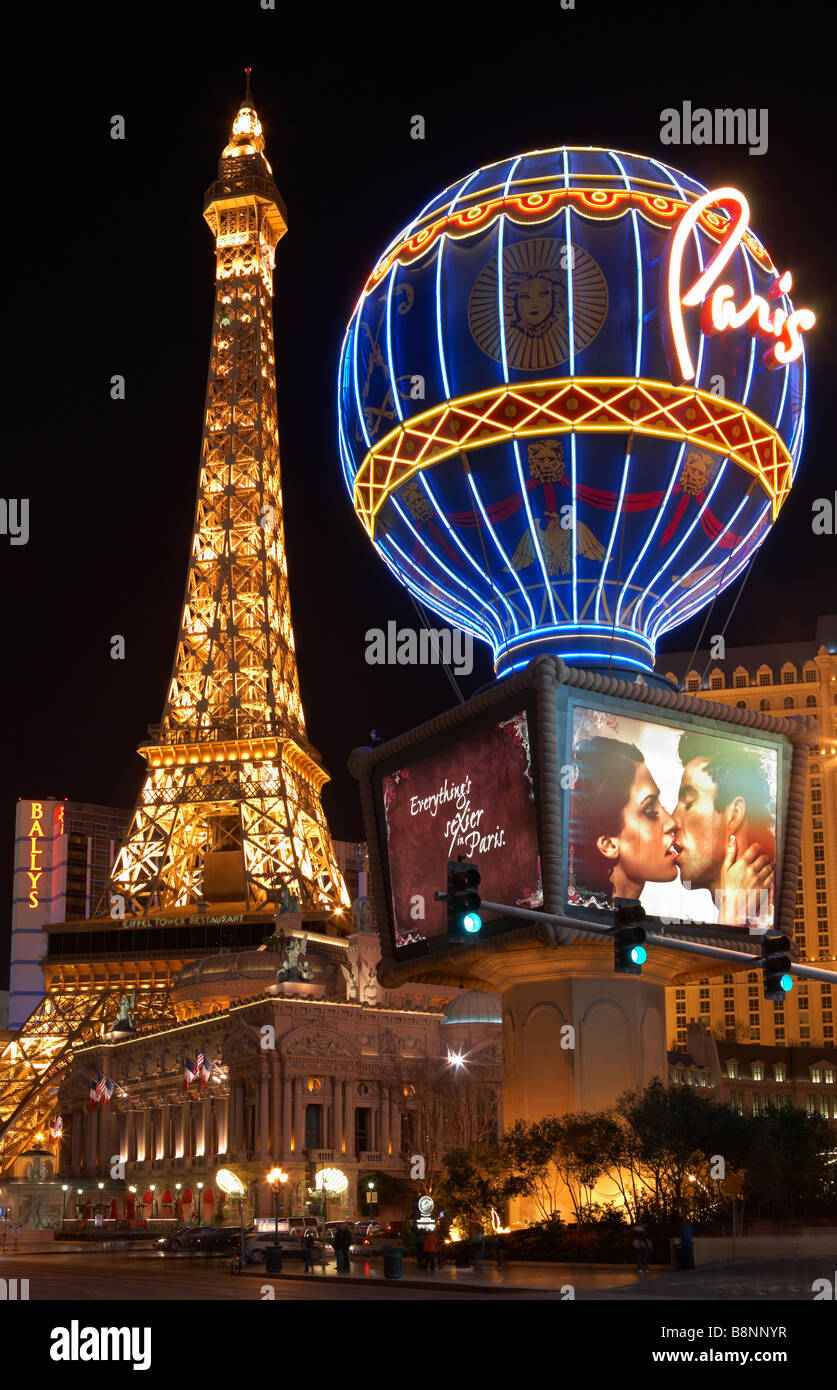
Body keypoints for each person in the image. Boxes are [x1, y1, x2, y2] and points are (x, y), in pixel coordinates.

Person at [674, 734, 774, 926]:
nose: (673, 821)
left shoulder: (773, 915)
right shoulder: (754, 916)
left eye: (689, 802)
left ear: (734, 814)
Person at [571, 738, 680, 905]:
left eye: (662, 805)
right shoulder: (583, 919)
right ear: (608, 844)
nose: (672, 822)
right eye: (650, 811)